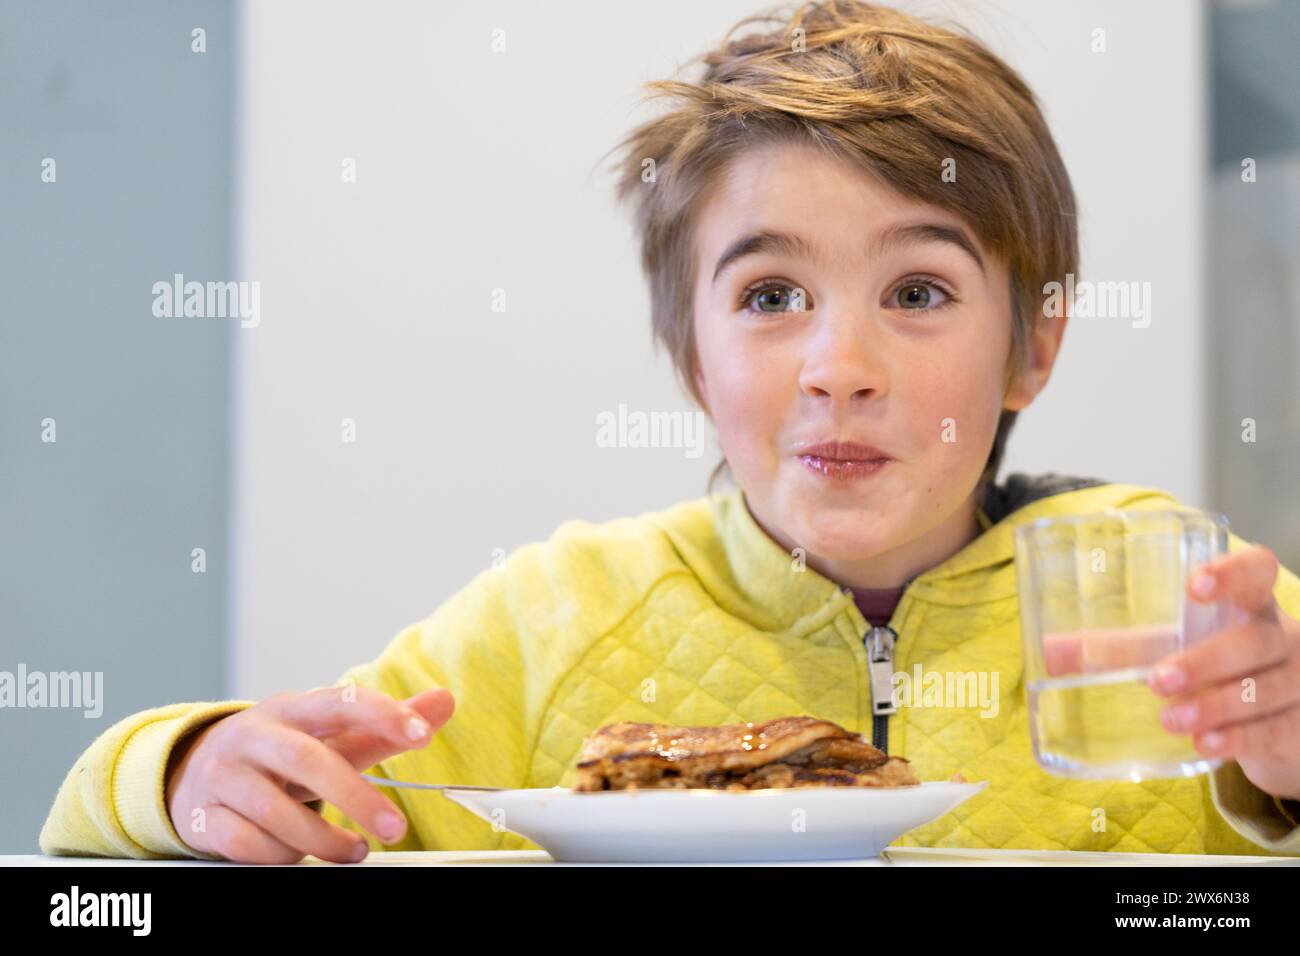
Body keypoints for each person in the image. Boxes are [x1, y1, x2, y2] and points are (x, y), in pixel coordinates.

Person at [40, 0, 1300, 863]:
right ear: (691, 357)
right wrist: (183, 769)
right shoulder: (553, 618)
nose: (837, 368)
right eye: (769, 297)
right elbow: (139, 825)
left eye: (916, 293)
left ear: (1034, 340)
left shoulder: (1174, 606)